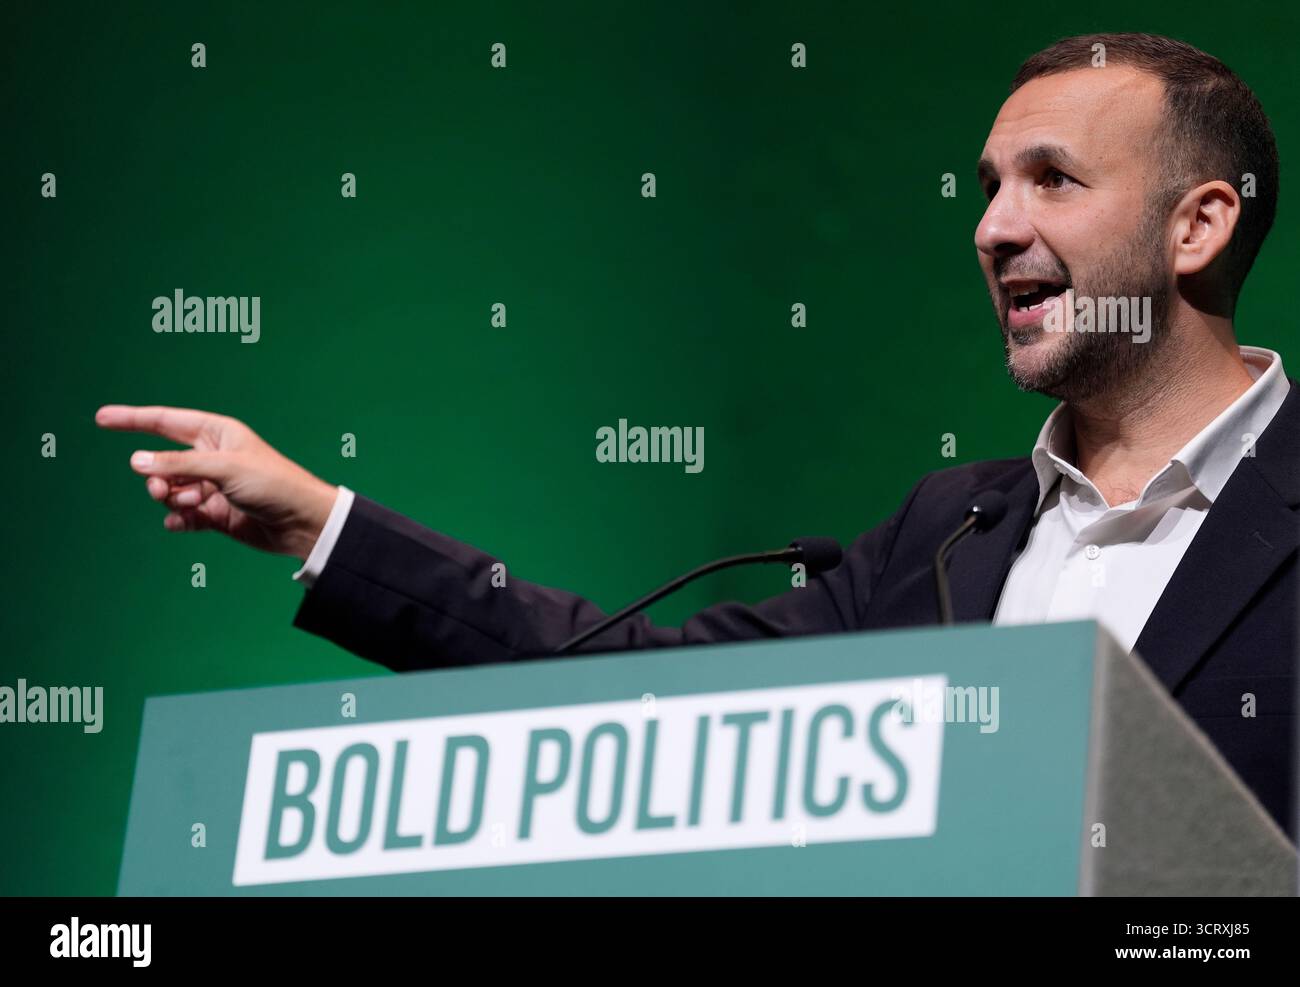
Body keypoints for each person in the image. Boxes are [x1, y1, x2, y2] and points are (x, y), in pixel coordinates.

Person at [97, 33, 1298, 839]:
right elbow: (640, 692)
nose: (991, 226)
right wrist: (328, 525)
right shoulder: (951, 531)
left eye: (1051, 181)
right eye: (987, 183)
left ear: (1194, 227)